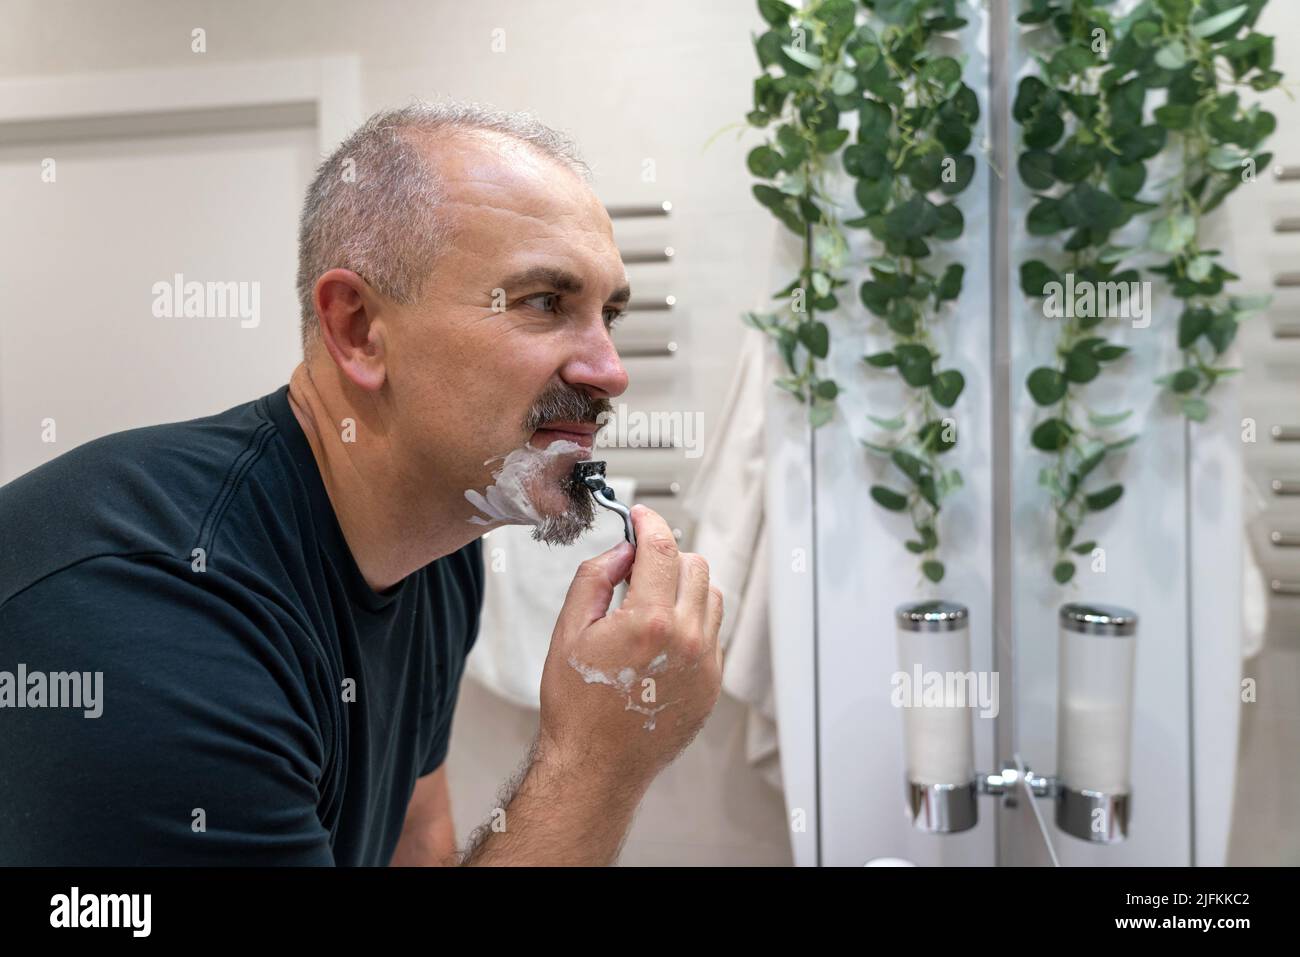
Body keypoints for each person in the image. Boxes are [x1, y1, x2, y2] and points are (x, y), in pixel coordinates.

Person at [0, 102, 724, 866]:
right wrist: (596, 762)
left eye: (607, 313)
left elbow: (417, 838)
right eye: (546, 302)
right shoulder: (146, 625)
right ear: (357, 329)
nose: (610, 371)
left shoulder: (439, 546)